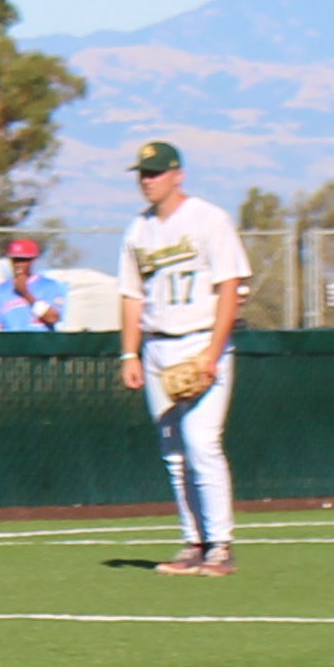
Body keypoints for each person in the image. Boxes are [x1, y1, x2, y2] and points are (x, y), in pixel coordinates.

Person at [117, 141, 250, 576]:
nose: (147, 180)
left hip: (199, 339)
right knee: (173, 452)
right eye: (143, 173)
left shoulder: (209, 219)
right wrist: (129, 352)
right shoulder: (138, 231)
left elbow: (230, 286)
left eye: (155, 172)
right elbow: (132, 295)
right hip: (157, 345)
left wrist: (213, 351)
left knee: (202, 441)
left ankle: (221, 547)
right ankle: (193, 542)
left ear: (178, 174)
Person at [0, 237, 67, 331]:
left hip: (41, 342)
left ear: (33, 260)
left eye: (23, 260)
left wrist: (25, 293)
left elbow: (52, 318)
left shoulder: (50, 286)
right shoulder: (1, 290)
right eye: (15, 260)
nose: (18, 264)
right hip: (11, 343)